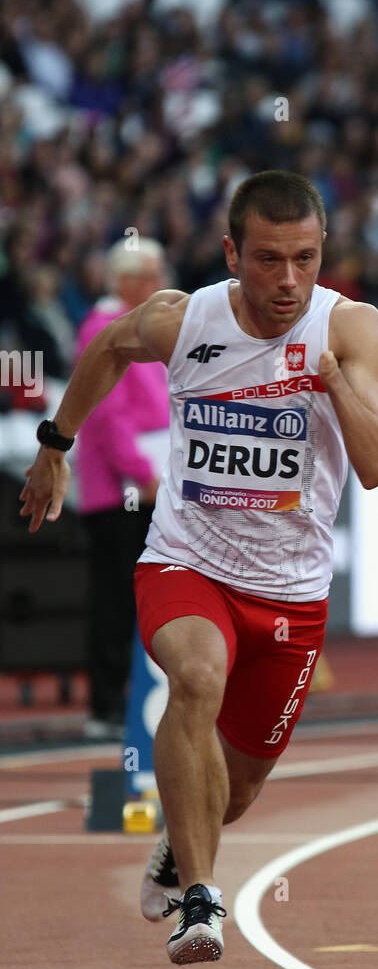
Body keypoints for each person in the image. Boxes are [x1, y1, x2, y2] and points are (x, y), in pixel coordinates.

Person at [20, 170, 378, 964]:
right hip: (186, 561)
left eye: (305, 258)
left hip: (292, 593)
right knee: (195, 678)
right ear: (232, 252)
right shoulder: (182, 318)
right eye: (267, 259)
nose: (289, 280)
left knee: (241, 787)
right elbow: (108, 349)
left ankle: (174, 845)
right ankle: (201, 897)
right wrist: (57, 445)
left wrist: (329, 380)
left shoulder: (351, 328)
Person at [76, 238, 170, 740]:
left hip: (141, 482)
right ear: (127, 280)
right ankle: (107, 705)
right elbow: (107, 414)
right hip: (119, 490)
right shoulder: (103, 328)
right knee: (115, 597)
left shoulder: (142, 330)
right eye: (151, 275)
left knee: (135, 597)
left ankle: (126, 700)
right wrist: (141, 472)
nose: (159, 283)